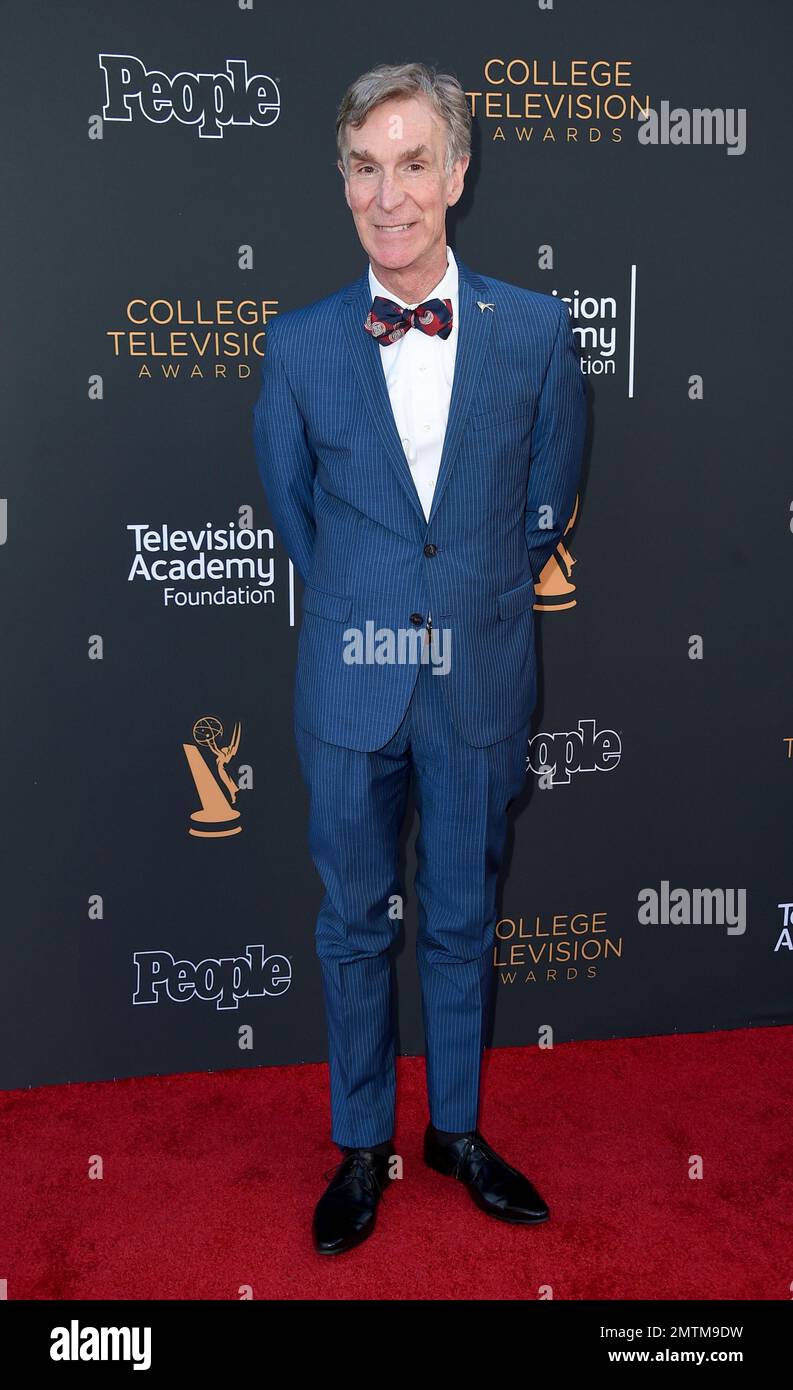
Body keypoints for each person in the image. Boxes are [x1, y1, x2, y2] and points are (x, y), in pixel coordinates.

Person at [253, 61, 587, 1255]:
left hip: (479, 677)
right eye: (362, 167)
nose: (386, 194)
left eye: (410, 163)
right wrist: (373, 598)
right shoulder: (296, 347)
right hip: (350, 681)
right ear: (341, 181)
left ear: (456, 172)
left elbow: (547, 502)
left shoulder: (537, 331)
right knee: (353, 922)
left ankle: (454, 1129)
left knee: (461, 914)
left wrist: (466, 594)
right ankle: (362, 1144)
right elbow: (299, 519)